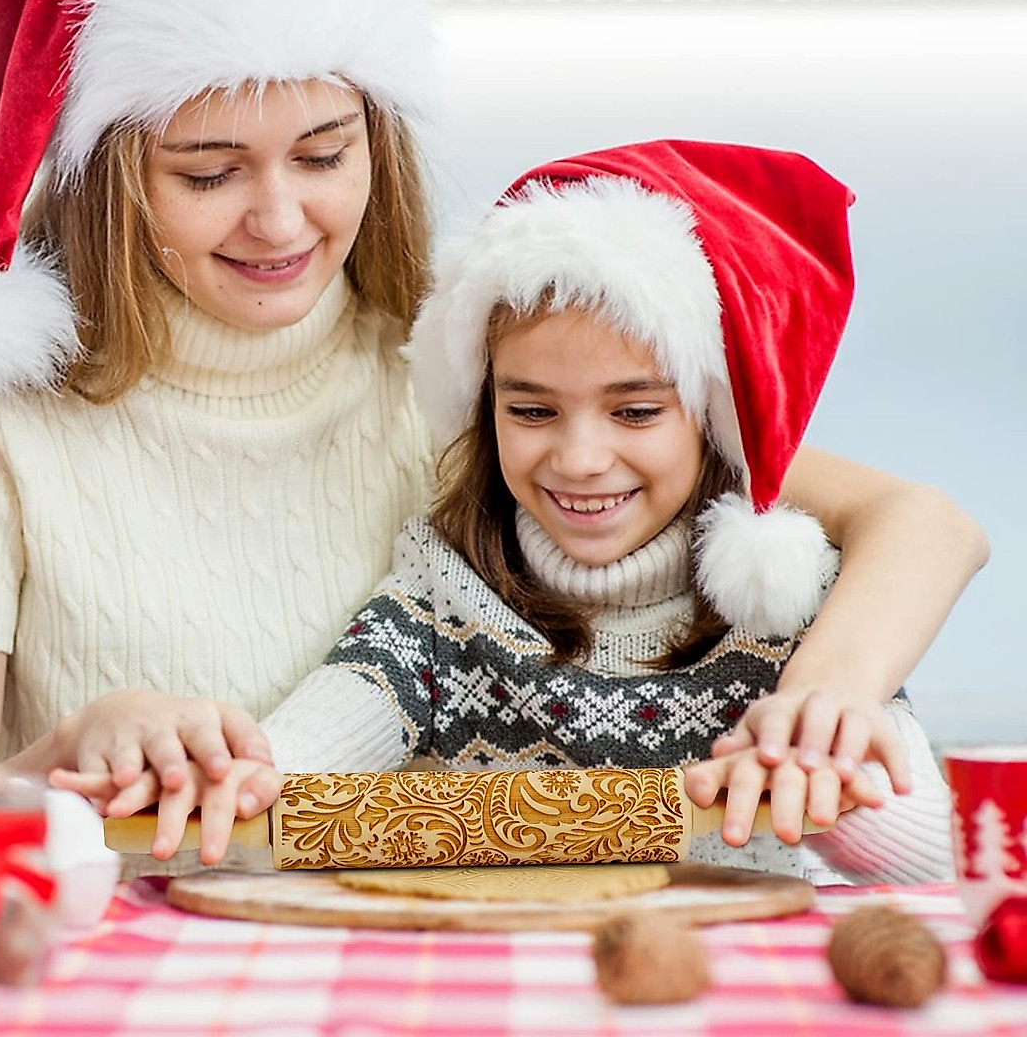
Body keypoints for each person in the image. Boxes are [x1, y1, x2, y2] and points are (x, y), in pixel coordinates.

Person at [0, 0, 984, 868]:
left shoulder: (461, 365)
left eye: (323, 155)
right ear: (105, 180)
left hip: (404, 941)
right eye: (208, 175)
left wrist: (820, 708)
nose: (280, 221)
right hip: (126, 949)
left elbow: (920, 524)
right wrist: (71, 743)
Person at [250, 140, 956, 883]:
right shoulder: (438, 599)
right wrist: (219, 772)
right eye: (531, 410)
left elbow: (948, 863)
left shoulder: (804, 607)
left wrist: (835, 788)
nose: (580, 458)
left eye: (636, 411)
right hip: (516, 958)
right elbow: (277, 782)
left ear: (713, 419)